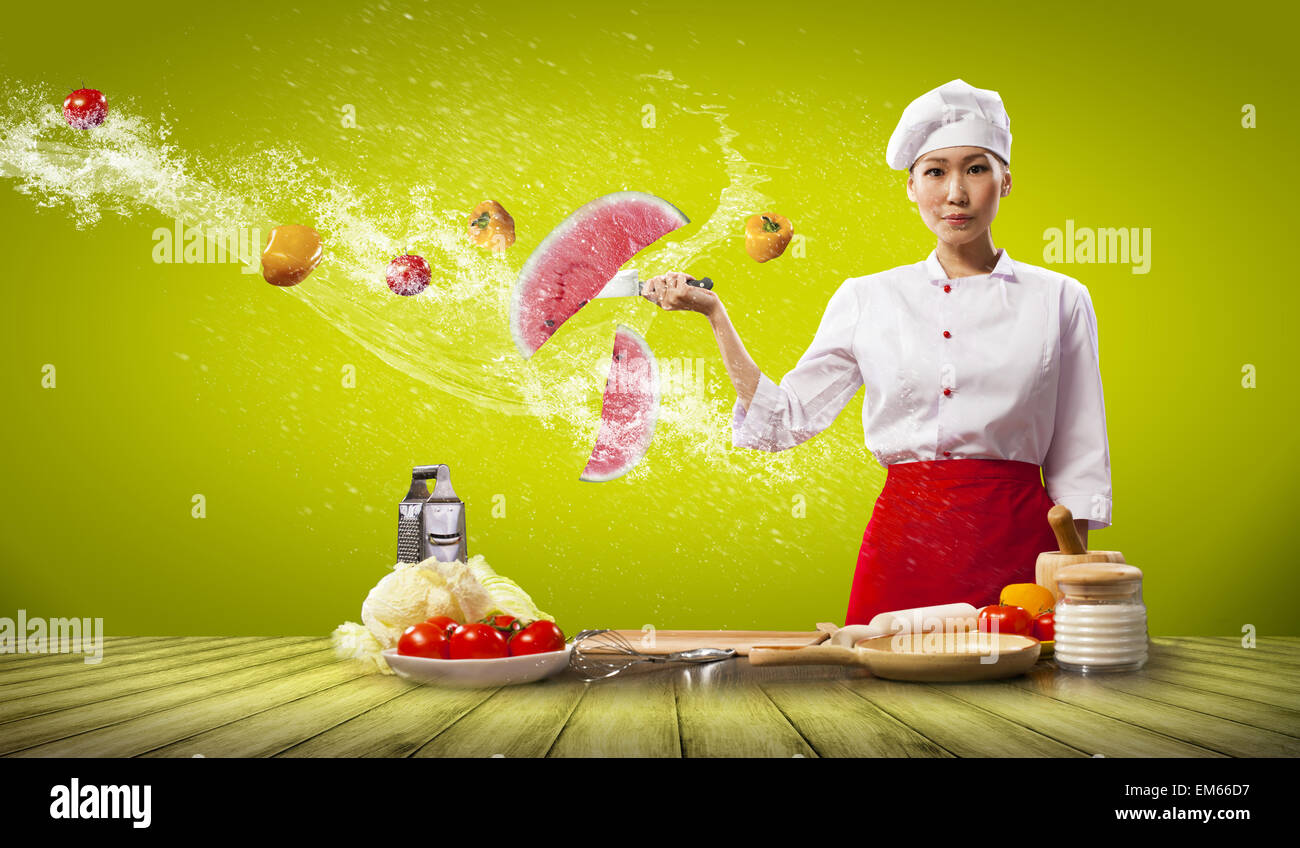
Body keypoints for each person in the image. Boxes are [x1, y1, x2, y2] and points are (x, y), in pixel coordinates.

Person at [642, 79, 1112, 625]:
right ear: (911, 187)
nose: (955, 193)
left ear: (1005, 180)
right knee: (882, 702)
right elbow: (784, 420)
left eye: (976, 168)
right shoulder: (867, 297)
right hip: (902, 549)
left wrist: (1073, 579)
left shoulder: (1061, 298)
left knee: (1021, 702)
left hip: (1021, 549)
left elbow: (1079, 458)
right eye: (935, 171)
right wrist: (713, 314)